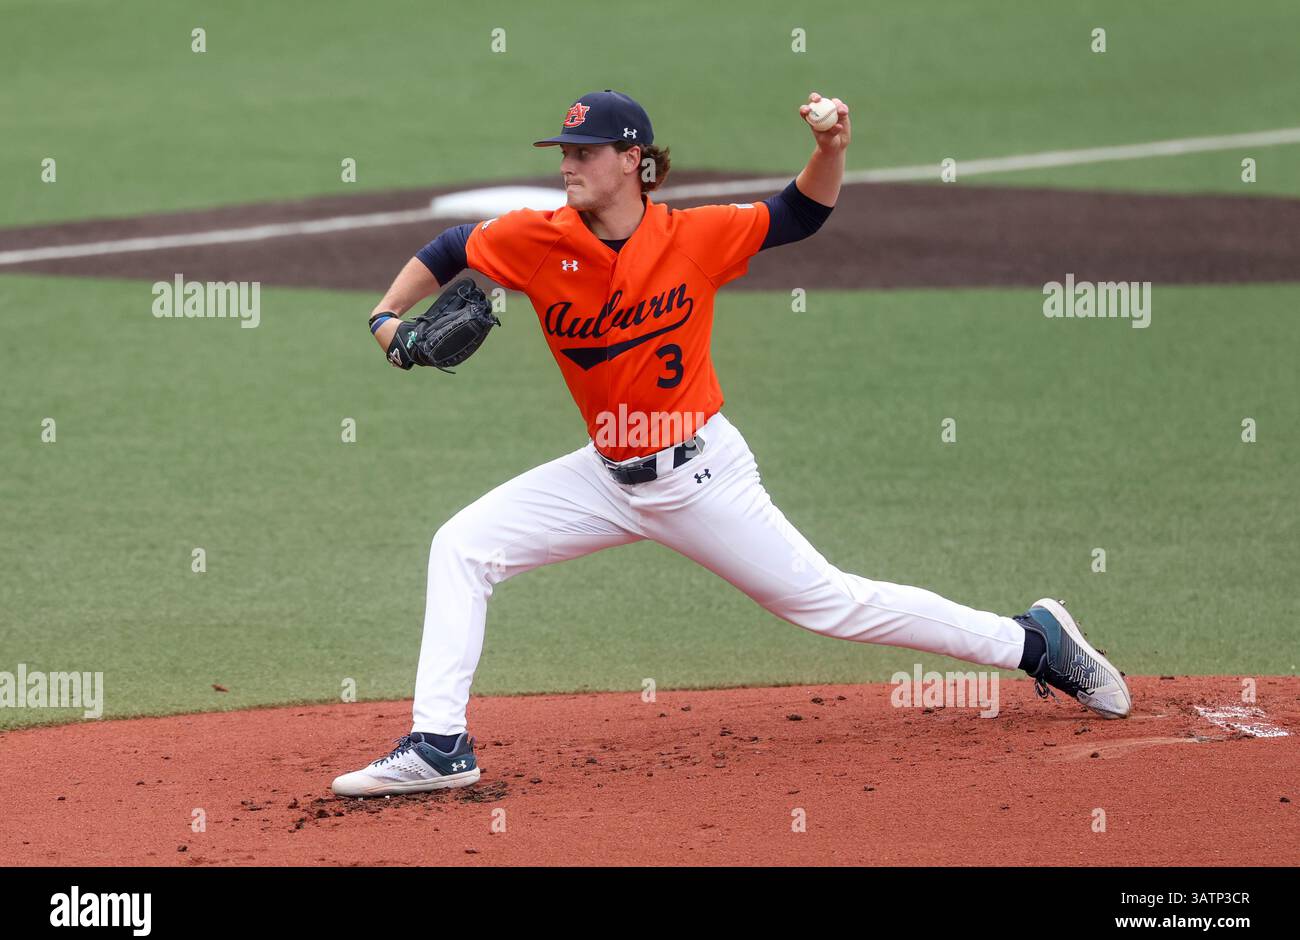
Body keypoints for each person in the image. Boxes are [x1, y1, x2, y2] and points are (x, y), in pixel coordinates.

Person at [331, 89, 1130, 798]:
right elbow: (448, 249)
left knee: (829, 604)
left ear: (633, 161)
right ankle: (440, 745)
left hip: (701, 477)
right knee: (463, 545)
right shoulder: (538, 238)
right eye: (564, 152)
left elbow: (800, 214)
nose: (568, 164)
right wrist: (386, 320)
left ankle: (1034, 642)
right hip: (606, 479)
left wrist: (829, 150)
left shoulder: (696, 236)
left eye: (584, 152)